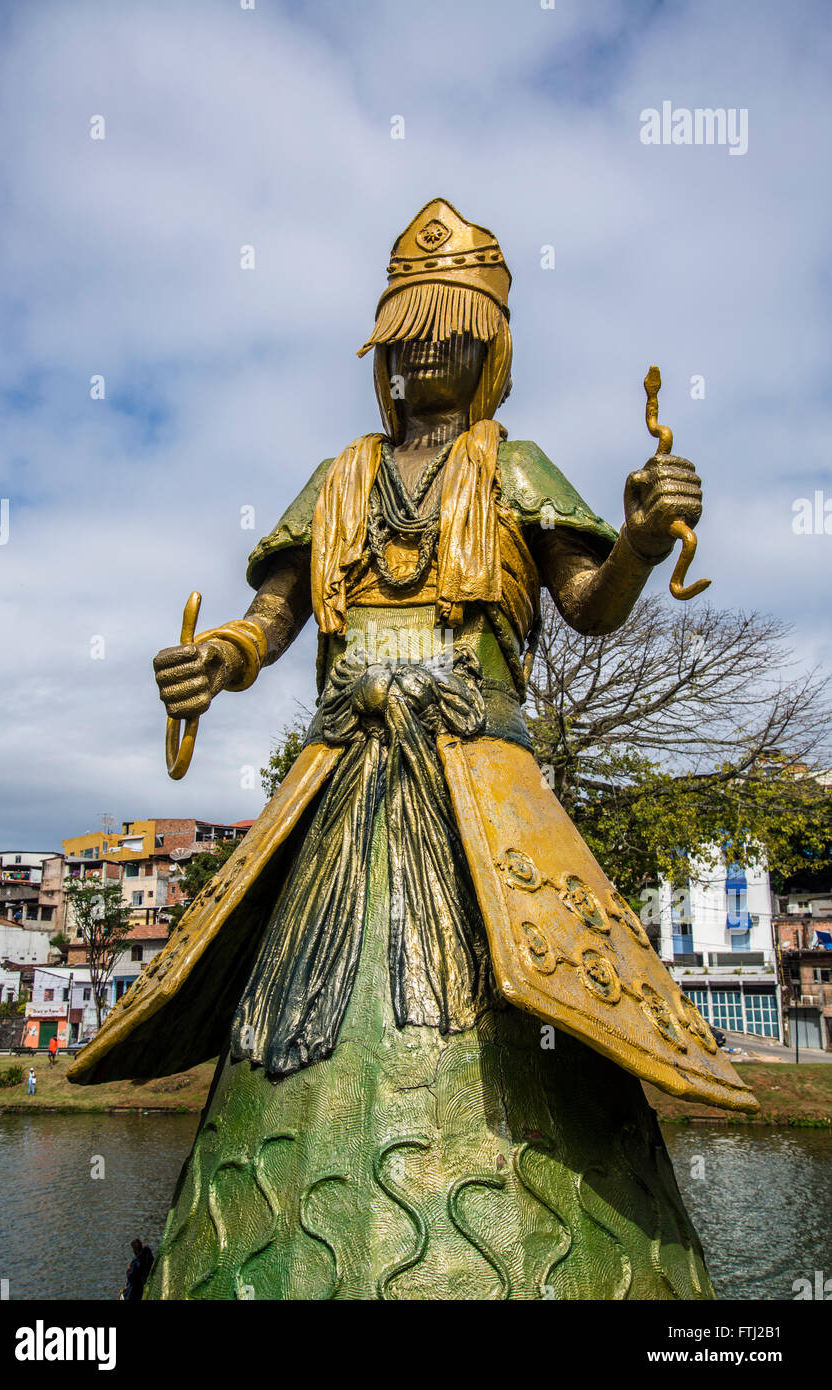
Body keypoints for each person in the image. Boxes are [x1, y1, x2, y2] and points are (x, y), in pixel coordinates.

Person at [70, 198, 755, 1300]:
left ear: (490, 346)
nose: (431, 345)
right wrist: (222, 662)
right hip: (345, 787)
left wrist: (633, 540)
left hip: (485, 793)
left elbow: (588, 603)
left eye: (456, 327)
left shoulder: (513, 467)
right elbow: (273, 616)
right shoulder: (340, 478)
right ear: (385, 345)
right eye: (413, 326)